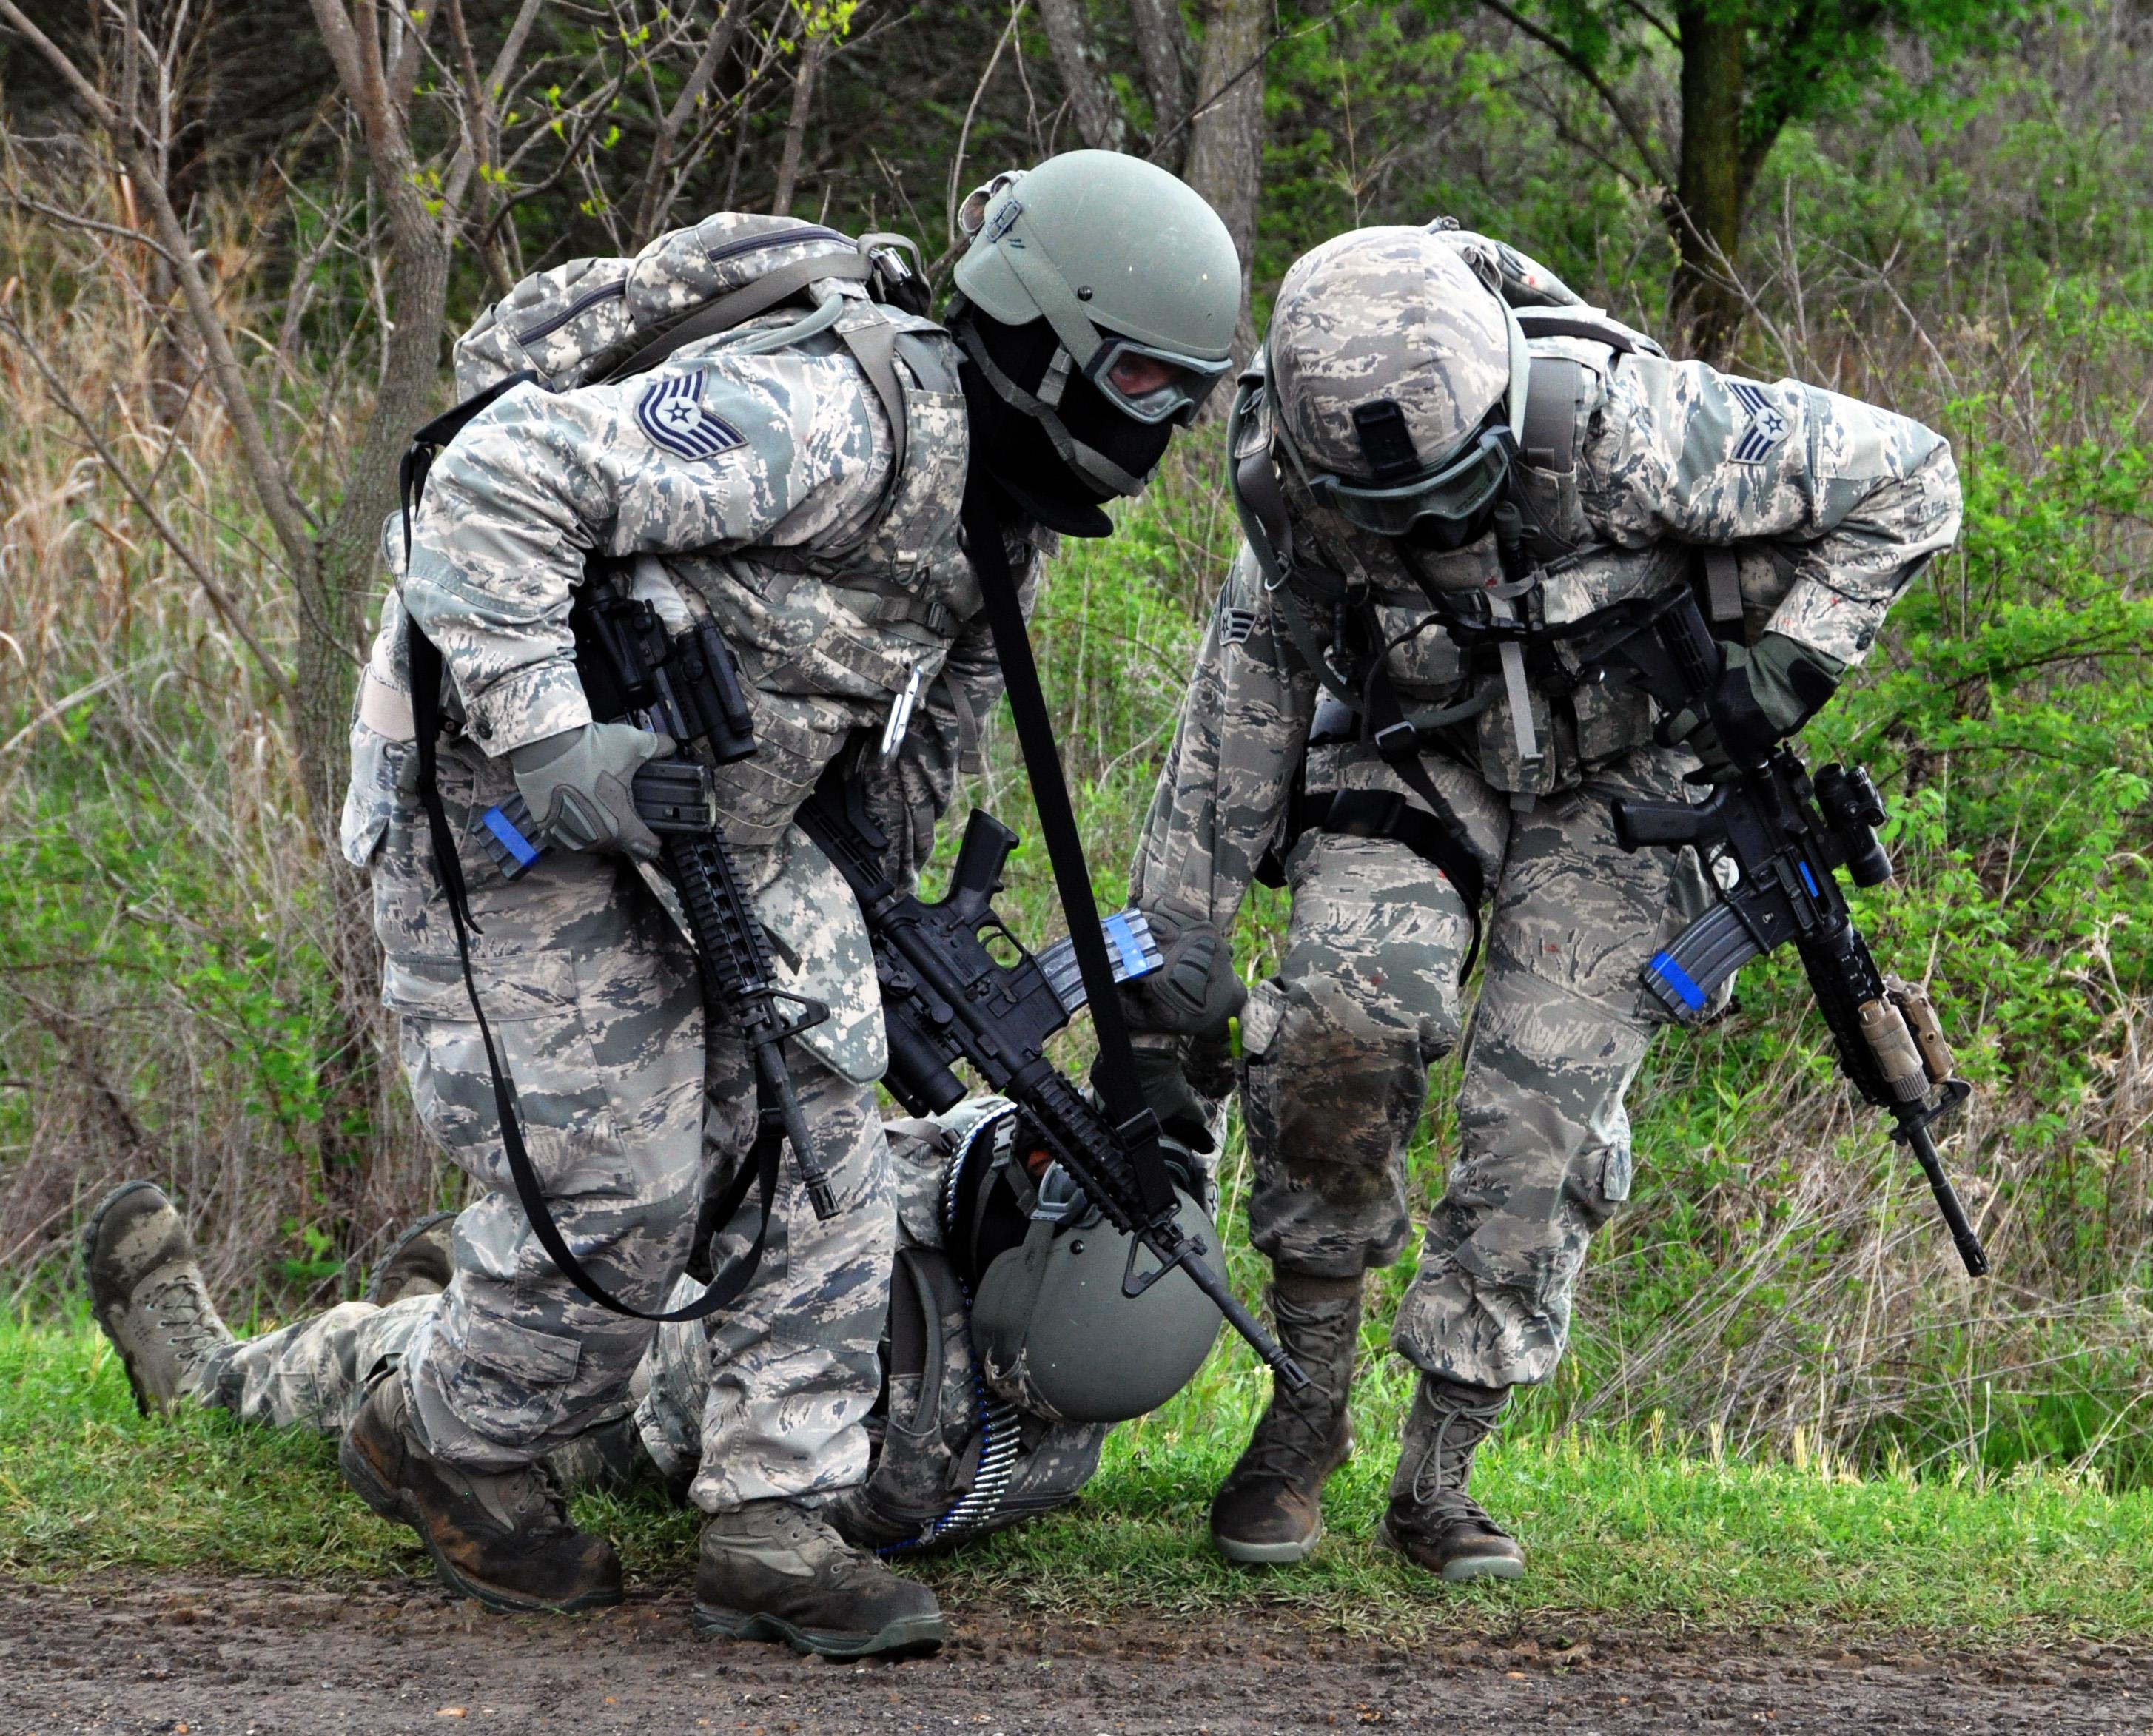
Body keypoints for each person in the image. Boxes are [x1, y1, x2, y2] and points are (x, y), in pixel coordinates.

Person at [315, 150, 1240, 1655]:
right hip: (507, 804)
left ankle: (773, 1518)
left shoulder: (996, 515)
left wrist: (881, 912)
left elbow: (926, 725)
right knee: (622, 1195)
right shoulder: (830, 417)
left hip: (725, 817)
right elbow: (496, 479)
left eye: (1184, 399)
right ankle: (444, 1441)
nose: (1161, 428)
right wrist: (553, 736)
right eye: (1139, 381)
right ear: (1044, 337)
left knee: (828, 1128)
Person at [1115, 223, 1962, 1582]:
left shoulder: (1640, 431)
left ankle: (1441, 1467)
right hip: (1412, 743)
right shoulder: (1293, 490)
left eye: (1458, 489)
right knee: (1341, 1025)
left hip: (1627, 767)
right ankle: (1304, 1411)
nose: (1431, 526)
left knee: (1542, 1112)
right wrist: (1172, 958)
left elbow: (1913, 476)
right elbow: (1241, 709)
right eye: (1398, 511)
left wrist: (1790, 668)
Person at [80, 1097, 1222, 1584]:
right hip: (723, 1360)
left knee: (444, 1365)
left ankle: (210, 1379)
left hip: (649, 1404)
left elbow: (819, 1170)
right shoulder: (1081, 1403)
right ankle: (465, 1272)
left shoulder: (901, 1298)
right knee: (526, 1293)